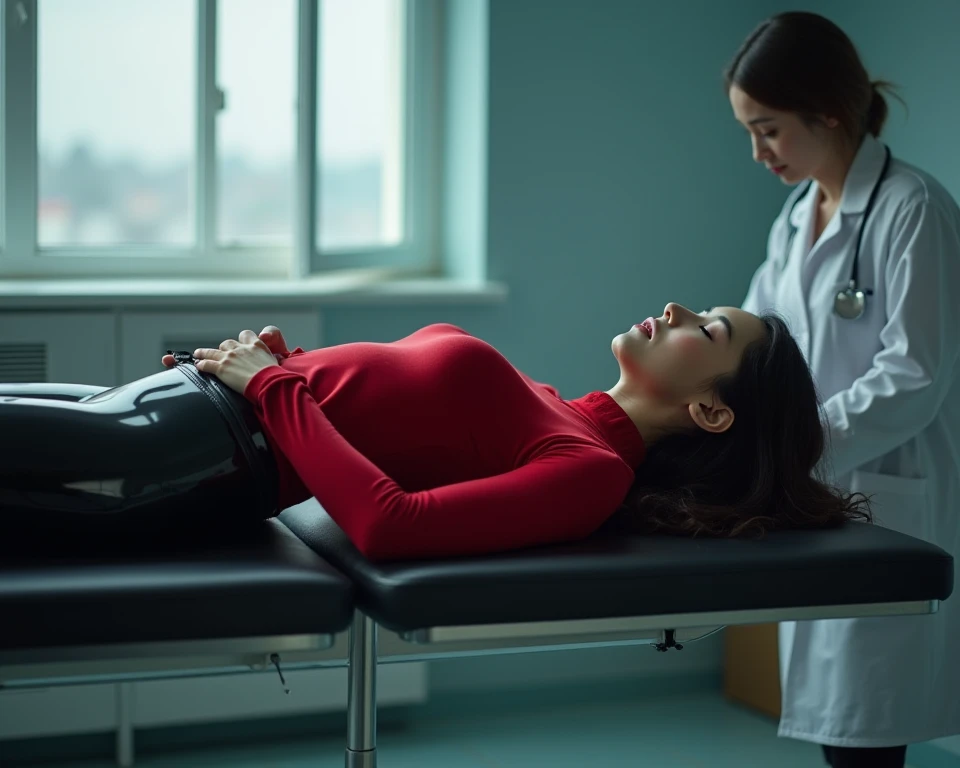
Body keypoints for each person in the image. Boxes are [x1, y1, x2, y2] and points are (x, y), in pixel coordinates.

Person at [2, 305, 867, 560]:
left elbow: (390, 523)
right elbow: (376, 411)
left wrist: (273, 389)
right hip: (189, 399)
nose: (676, 309)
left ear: (711, 412)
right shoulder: (552, 402)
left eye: (706, 331)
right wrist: (285, 365)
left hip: (190, 455)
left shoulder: (589, 467)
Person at [726, 11, 960, 767]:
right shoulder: (796, 217)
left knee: (868, 734)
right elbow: (761, 343)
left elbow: (915, 375)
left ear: (827, 112)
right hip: (822, 491)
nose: (757, 152)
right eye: (748, 132)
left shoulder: (913, 210)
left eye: (768, 130)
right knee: (842, 728)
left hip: (888, 487)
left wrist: (802, 441)